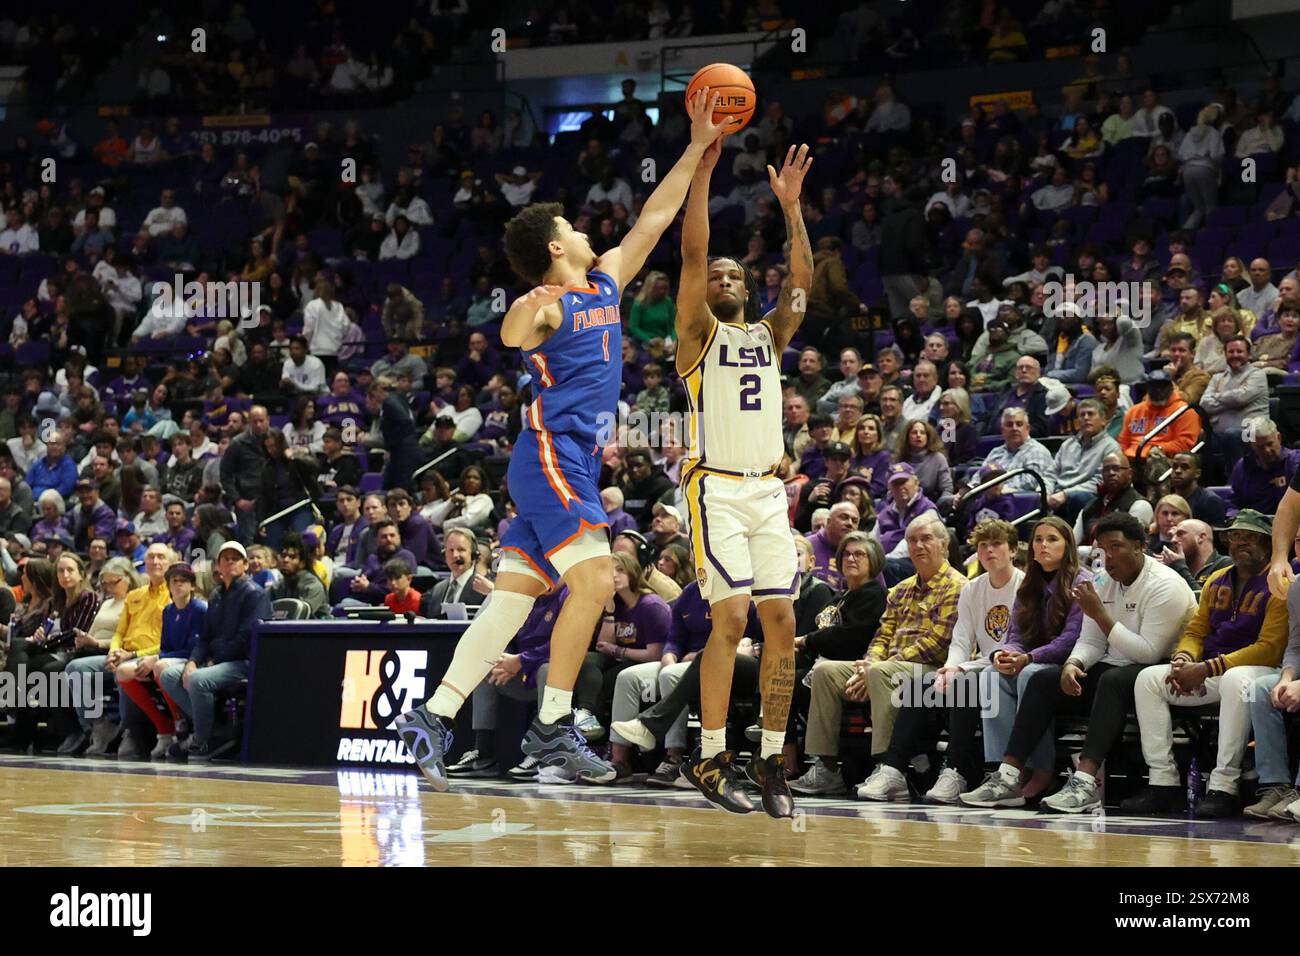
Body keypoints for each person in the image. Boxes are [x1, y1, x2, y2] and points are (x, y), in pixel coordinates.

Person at [391, 88, 736, 789]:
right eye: (575, 226)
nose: (588, 231)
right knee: (595, 579)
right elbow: (517, 334)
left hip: (558, 462)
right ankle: (554, 725)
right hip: (551, 457)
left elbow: (655, 216)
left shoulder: (605, 283)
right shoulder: (549, 309)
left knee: (512, 601)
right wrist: (520, 313)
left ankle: (433, 715)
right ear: (557, 247)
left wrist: (699, 147)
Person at [669, 137, 813, 817]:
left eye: (734, 275)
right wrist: (701, 173)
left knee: (780, 619)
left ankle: (771, 758)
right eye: (716, 275)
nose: (723, 279)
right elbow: (693, 253)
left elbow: (803, 285)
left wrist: (792, 210)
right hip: (715, 487)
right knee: (729, 621)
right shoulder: (697, 335)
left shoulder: (768, 335)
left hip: (765, 490)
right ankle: (710, 754)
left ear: (748, 289)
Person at [960, 512, 1196, 812]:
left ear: (1140, 546)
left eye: (1116, 547)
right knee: (1043, 679)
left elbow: (1148, 652)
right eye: (1102, 550)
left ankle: (1084, 782)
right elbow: (1091, 641)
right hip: (1116, 663)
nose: (1108, 557)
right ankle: (1008, 776)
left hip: (1162, 668)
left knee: (1111, 680)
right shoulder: (1101, 580)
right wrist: (1074, 663)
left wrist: (1101, 615)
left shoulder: (1166, 585)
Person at [1123, 509, 1286, 817]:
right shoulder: (1216, 580)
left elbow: (1269, 648)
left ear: (1268, 543)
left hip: (1264, 671)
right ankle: (1163, 783)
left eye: (1249, 537)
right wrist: (1183, 660)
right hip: (1212, 670)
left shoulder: (1278, 583)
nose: (1240, 543)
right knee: (1148, 679)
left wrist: (1207, 668)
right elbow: (1196, 631)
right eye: (1235, 536)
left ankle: (1224, 785)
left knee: (1235, 679)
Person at [790, 515, 966, 795]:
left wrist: (879, 666)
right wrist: (867, 664)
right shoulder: (901, 589)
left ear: (944, 545)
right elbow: (882, 635)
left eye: (926, 539)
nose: (918, 545)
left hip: (934, 669)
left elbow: (938, 643)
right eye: (912, 540)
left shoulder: (958, 586)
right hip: (889, 666)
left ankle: (888, 769)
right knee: (826, 672)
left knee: (880, 672)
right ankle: (826, 768)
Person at [858, 519, 1024, 803]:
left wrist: (961, 668)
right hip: (981, 665)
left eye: (997, 544)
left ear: (1012, 551)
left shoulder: (1023, 585)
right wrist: (951, 667)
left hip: (1014, 665)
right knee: (923, 685)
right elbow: (961, 641)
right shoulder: (973, 588)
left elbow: (1021, 640)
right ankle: (894, 769)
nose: (989, 551)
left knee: (965, 684)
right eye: (983, 545)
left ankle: (956, 771)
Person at [159, 541, 272, 761]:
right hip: (217, 662)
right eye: (225, 558)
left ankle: (203, 738)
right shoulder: (216, 595)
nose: (230, 562)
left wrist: (215, 661)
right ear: (218, 566)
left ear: (245, 564)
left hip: (244, 662)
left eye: (235, 558)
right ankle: (217, 729)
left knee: (198, 680)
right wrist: (192, 661)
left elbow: (246, 638)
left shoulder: (255, 594)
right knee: (169, 676)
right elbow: (205, 637)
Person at [114, 562, 206, 760]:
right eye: (174, 581)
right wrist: (156, 657)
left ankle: (179, 724)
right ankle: (163, 729)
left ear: (192, 585)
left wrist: (156, 657)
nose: (179, 585)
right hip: (169, 657)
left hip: (192, 659)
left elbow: (194, 648)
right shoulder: (168, 611)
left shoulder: (199, 609)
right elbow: (165, 645)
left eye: (184, 581)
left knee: (159, 666)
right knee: (123, 671)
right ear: (169, 585)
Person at [1244, 573, 1300, 821]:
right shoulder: (1297, 585)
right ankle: (1275, 784)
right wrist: (1287, 679)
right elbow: (1296, 645)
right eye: (1297, 541)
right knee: (1262, 688)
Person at [1046, 399, 1121, 524]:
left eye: (1091, 414)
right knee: (1033, 497)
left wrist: (1066, 494)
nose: (1086, 418)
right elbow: (1051, 473)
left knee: (1078, 498)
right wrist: (1045, 492)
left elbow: (1100, 482)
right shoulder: (1067, 445)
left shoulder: (1111, 447)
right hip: (1057, 494)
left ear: (1103, 421)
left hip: (1085, 497)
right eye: (1082, 415)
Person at [1200, 336, 1269, 466]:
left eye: (1239, 351)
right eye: (1231, 352)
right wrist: (1231, 398)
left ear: (1248, 355)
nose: (1235, 355)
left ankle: (1237, 478)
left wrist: (1217, 396)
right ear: (1225, 354)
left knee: (1231, 434)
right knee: (1199, 437)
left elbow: (1241, 398)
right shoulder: (1217, 378)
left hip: (1251, 434)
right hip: (1218, 434)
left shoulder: (1257, 375)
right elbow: (1204, 403)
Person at [1231, 418, 1300, 517]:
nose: (1267, 450)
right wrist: (1235, 516)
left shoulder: (1295, 461)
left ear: (1279, 438)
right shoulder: (1243, 466)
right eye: (1260, 447)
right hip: (1254, 525)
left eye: (1269, 444)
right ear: (1252, 445)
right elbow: (1233, 501)